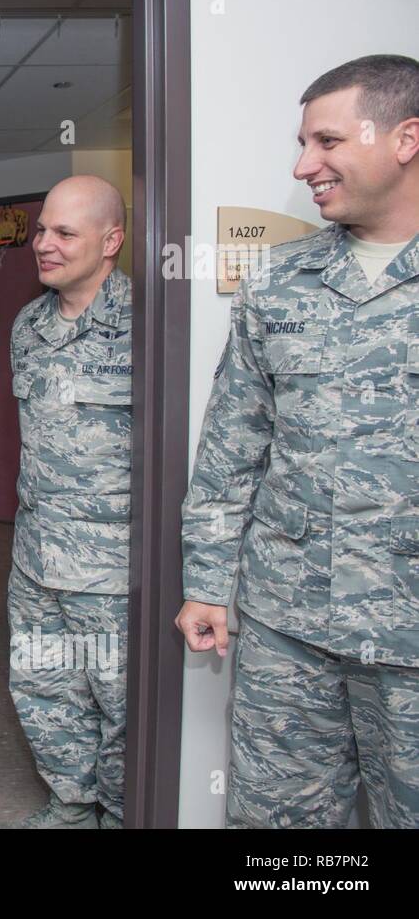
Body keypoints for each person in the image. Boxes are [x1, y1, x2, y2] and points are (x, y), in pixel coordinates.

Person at [178, 54, 419, 828]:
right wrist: (208, 580)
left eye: (327, 141)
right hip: (289, 629)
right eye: (301, 142)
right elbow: (230, 449)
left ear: (405, 139)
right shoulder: (279, 282)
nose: (303, 165)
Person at [5, 175, 131, 829]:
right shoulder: (28, 323)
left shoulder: (148, 326)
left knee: (120, 700)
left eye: (64, 233)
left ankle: (119, 810)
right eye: (41, 229)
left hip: (111, 568)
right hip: (34, 558)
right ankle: (73, 803)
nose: (43, 244)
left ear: (111, 240)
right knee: (44, 688)